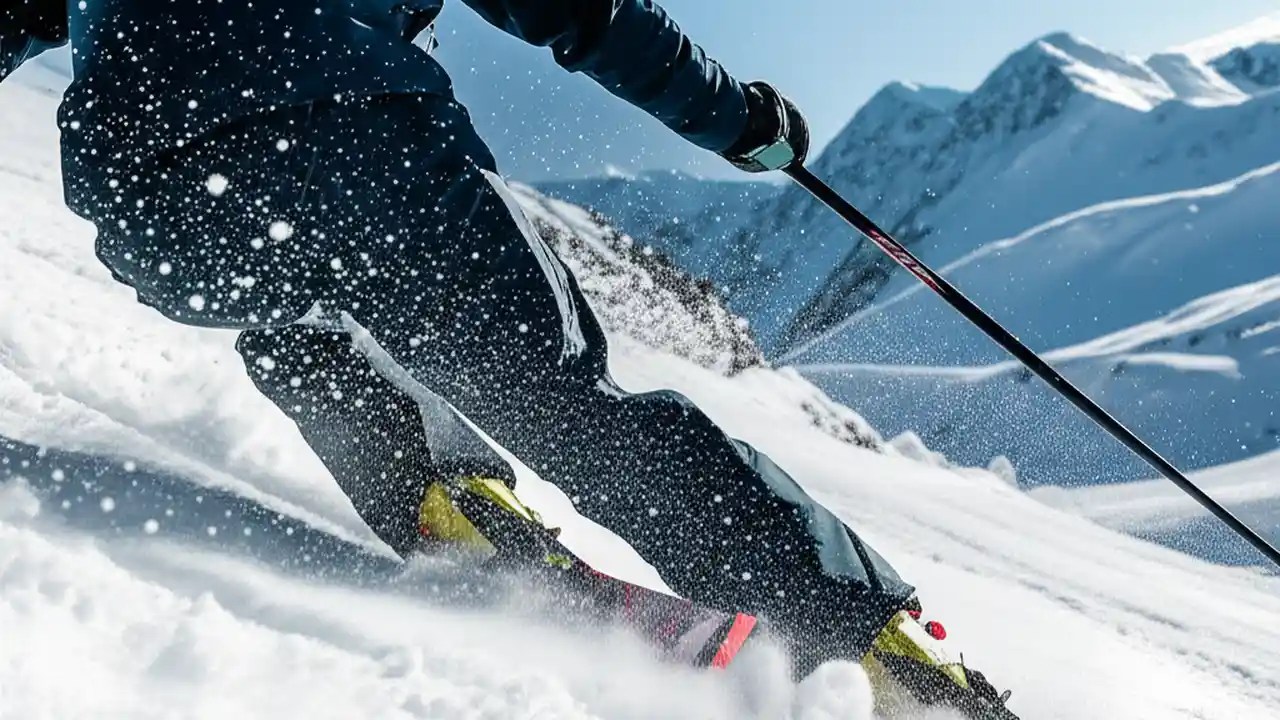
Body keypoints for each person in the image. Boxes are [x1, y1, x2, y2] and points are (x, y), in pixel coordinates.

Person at [3, 2, 1015, 713]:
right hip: (351, 135)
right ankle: (864, 644)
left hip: (152, 195)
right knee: (569, 408)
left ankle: (441, 500)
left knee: (294, 312)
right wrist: (739, 118)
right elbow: (584, 10)